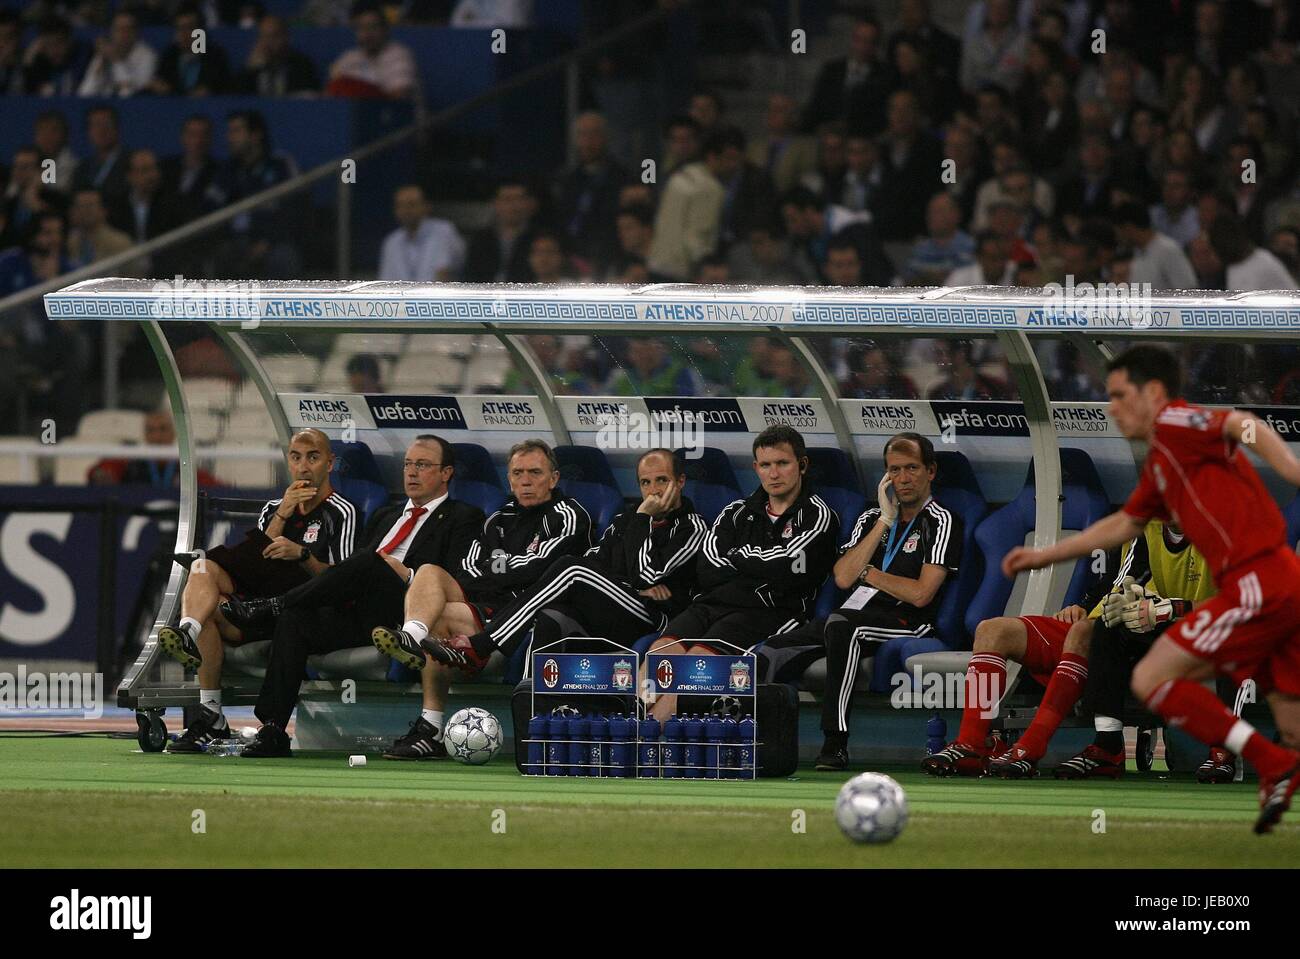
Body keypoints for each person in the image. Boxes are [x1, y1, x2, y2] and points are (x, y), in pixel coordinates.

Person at [1004, 345, 1300, 833]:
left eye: (1120, 396)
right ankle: (1268, 762)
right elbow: (1123, 523)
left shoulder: (1182, 423)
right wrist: (1045, 556)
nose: (1112, 407)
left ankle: (1239, 756)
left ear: (1155, 395)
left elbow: (1243, 426)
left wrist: (1287, 467)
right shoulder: (1163, 465)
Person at [221, 435, 485, 758]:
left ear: (446, 473)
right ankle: (273, 730)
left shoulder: (464, 516)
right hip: (361, 608)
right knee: (296, 620)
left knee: (368, 561)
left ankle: (272, 606)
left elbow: (455, 582)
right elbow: (352, 572)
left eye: (423, 465)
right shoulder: (385, 515)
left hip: (407, 607)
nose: (412, 472)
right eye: (407, 465)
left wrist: (403, 573)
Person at [390, 448, 705, 689]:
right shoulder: (625, 521)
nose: (653, 492)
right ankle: (532, 717)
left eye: (661, 481)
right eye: (645, 483)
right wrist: (626, 579)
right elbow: (598, 561)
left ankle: (482, 645)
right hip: (619, 604)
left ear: (680, 482)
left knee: (570, 569)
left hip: (656, 618)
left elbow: (646, 575)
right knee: (550, 614)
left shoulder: (692, 528)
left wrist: (642, 522)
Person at [364, 440, 593, 756]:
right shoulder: (497, 519)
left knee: (445, 606)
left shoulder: (568, 514)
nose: (526, 480)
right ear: (509, 479)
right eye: (518, 473)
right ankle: (428, 717)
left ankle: (426, 685)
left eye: (535, 473)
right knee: (430, 574)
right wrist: (506, 569)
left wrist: (498, 567)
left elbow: (545, 568)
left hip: (529, 614)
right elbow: (467, 569)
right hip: (486, 605)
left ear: (553, 478)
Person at [760, 433, 961, 770]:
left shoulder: (940, 521)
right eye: (894, 470)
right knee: (771, 650)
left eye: (912, 468)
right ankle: (762, 746)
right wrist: (885, 519)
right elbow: (842, 576)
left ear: (931, 471)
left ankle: (834, 744)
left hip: (908, 622)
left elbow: (921, 593)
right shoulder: (872, 518)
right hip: (853, 616)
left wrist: (867, 574)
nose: (903, 478)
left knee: (842, 626)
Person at [155, 429, 357, 752]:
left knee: (210, 594)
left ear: (330, 464)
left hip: (297, 613)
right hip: (253, 608)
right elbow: (256, 561)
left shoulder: (342, 512)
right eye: (295, 457)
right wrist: (282, 514)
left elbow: (344, 579)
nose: (303, 466)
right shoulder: (274, 508)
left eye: (313, 457)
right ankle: (207, 701)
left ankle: (191, 642)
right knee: (201, 568)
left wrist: (302, 555)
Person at [646, 426, 838, 721]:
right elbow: (708, 565)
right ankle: (626, 732)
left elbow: (790, 567)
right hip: (712, 604)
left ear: (802, 465)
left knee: (697, 664)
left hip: (767, 610)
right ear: (755, 468)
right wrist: (757, 568)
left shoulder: (817, 515)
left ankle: (649, 742)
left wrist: (737, 557)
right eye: (765, 465)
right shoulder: (735, 511)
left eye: (782, 463)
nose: (773, 474)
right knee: (659, 655)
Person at [1051, 522, 1217, 779]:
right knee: (1110, 623)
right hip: (1174, 629)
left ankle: (1224, 751)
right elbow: (1127, 581)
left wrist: (1176, 609)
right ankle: (1108, 746)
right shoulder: (1148, 527)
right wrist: (1125, 601)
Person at [326, 0, 417, 100]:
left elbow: (399, 97)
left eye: (373, 27)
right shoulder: (348, 58)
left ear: (385, 30)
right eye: (362, 28)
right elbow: (331, 95)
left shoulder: (398, 55)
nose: (367, 34)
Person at [377, 183, 466, 282]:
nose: (406, 210)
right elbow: (385, 282)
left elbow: (445, 273)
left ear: (426, 206)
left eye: (411, 204)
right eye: (400, 205)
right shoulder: (391, 242)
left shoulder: (443, 231)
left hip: (437, 295)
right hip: (402, 296)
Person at [77, 10, 157, 97]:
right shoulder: (104, 53)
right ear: (111, 32)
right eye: (119, 29)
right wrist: (100, 65)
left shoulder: (148, 55)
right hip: (104, 105)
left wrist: (116, 60)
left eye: (129, 28)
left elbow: (131, 93)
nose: (124, 33)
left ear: (137, 32)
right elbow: (85, 93)